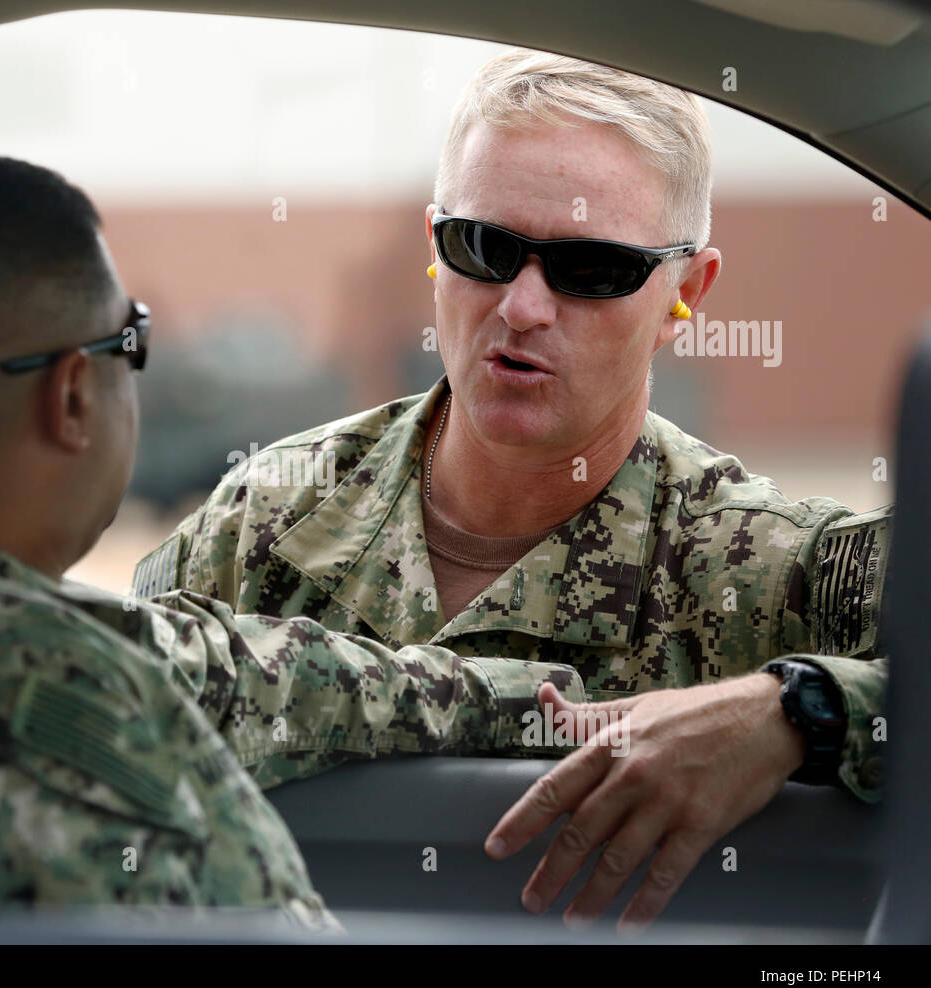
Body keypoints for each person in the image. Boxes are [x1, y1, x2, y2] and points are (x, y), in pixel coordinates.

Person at [133, 51, 891, 932]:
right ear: (434, 250)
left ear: (687, 291)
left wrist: (801, 709)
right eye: (484, 248)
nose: (523, 307)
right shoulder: (266, 519)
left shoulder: (765, 570)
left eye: (593, 268)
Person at [0, 156, 587, 932]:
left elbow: (235, 669)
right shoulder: (40, 691)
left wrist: (553, 704)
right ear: (72, 393)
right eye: (132, 339)